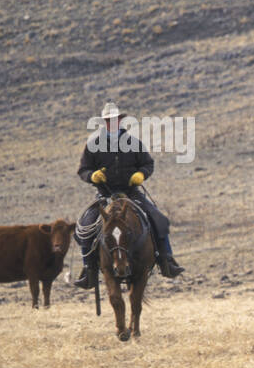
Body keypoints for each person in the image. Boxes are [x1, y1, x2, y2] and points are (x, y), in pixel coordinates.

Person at [74, 102, 184, 287]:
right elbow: (83, 169)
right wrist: (92, 176)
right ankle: (88, 270)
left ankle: (167, 260)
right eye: (108, 120)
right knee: (85, 226)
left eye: (114, 119)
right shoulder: (93, 145)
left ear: (120, 120)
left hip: (131, 193)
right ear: (104, 122)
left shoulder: (133, 142)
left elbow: (148, 164)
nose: (112, 122)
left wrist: (141, 174)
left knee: (159, 220)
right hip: (105, 195)